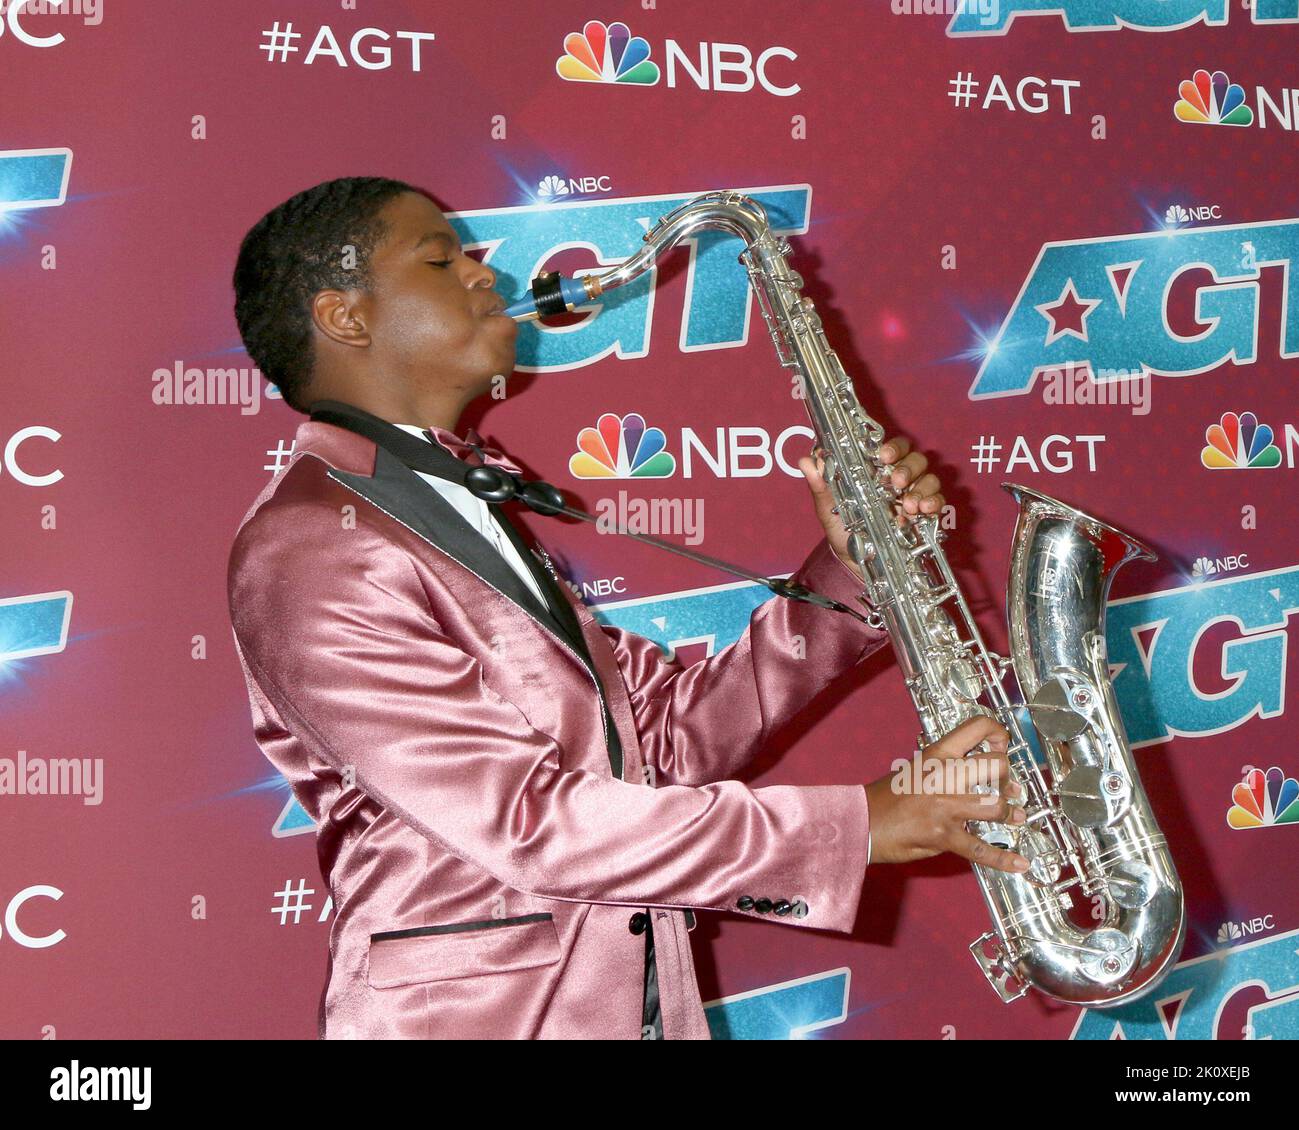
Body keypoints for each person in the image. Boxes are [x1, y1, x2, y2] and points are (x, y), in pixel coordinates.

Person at [227, 176, 1027, 1040]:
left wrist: (849, 570)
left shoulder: (458, 500)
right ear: (346, 318)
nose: (482, 272)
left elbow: (664, 744)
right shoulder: (311, 544)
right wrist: (863, 823)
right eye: (439, 257)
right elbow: (528, 823)